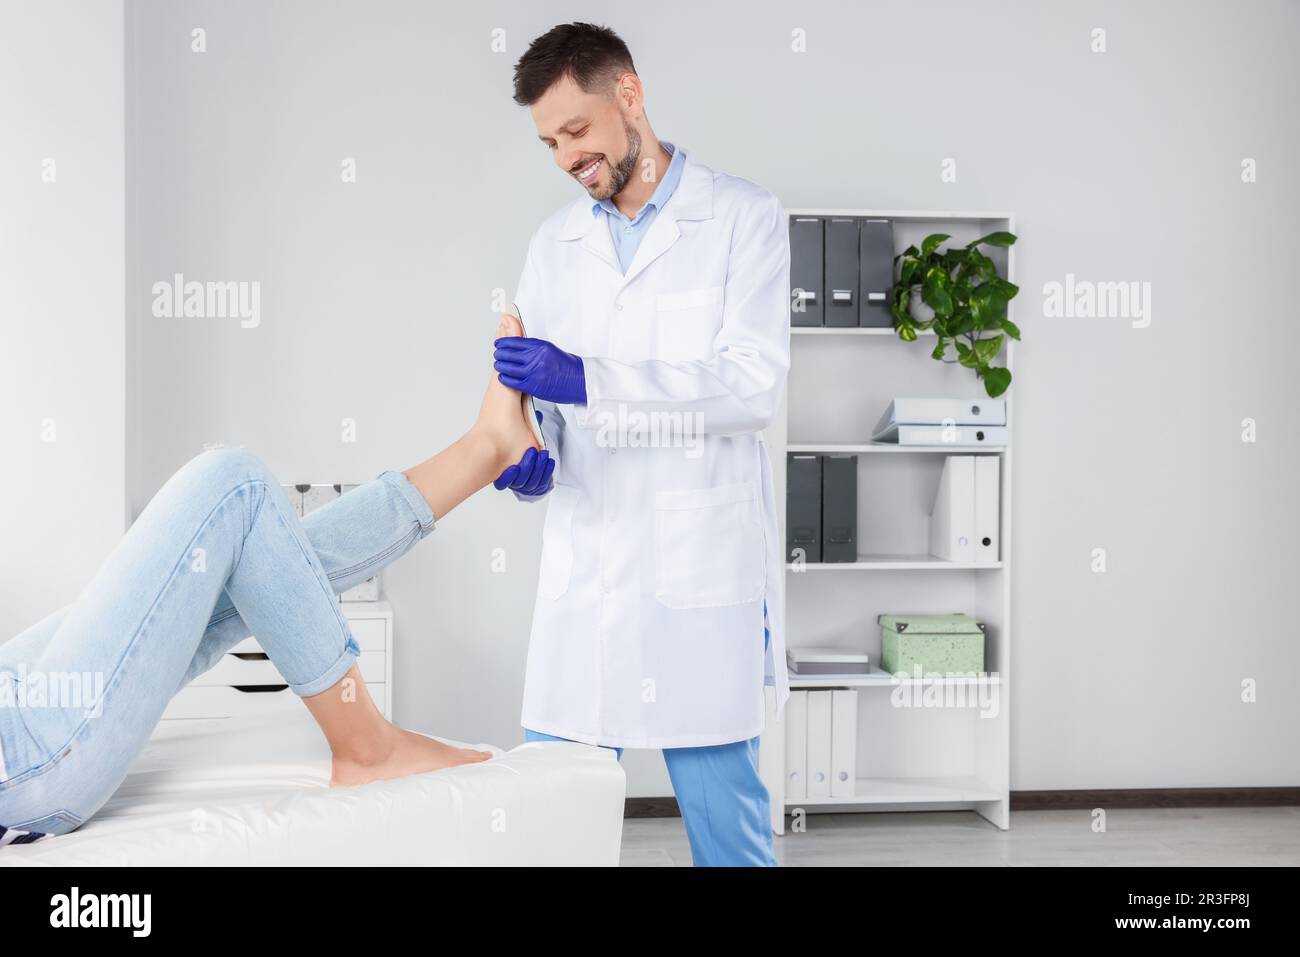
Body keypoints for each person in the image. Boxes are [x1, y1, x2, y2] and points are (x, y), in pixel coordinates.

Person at [0, 315, 545, 844]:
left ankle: (488, 448)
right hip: (22, 755)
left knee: (255, 550)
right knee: (233, 485)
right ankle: (367, 748)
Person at [495, 23, 791, 866]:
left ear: (629, 93)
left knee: (724, 825)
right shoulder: (554, 246)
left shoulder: (742, 219)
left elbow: (749, 385)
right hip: (585, 575)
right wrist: (528, 448)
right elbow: (535, 399)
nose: (564, 157)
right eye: (549, 141)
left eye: (577, 130)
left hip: (695, 576)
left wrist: (585, 379)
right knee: (552, 820)